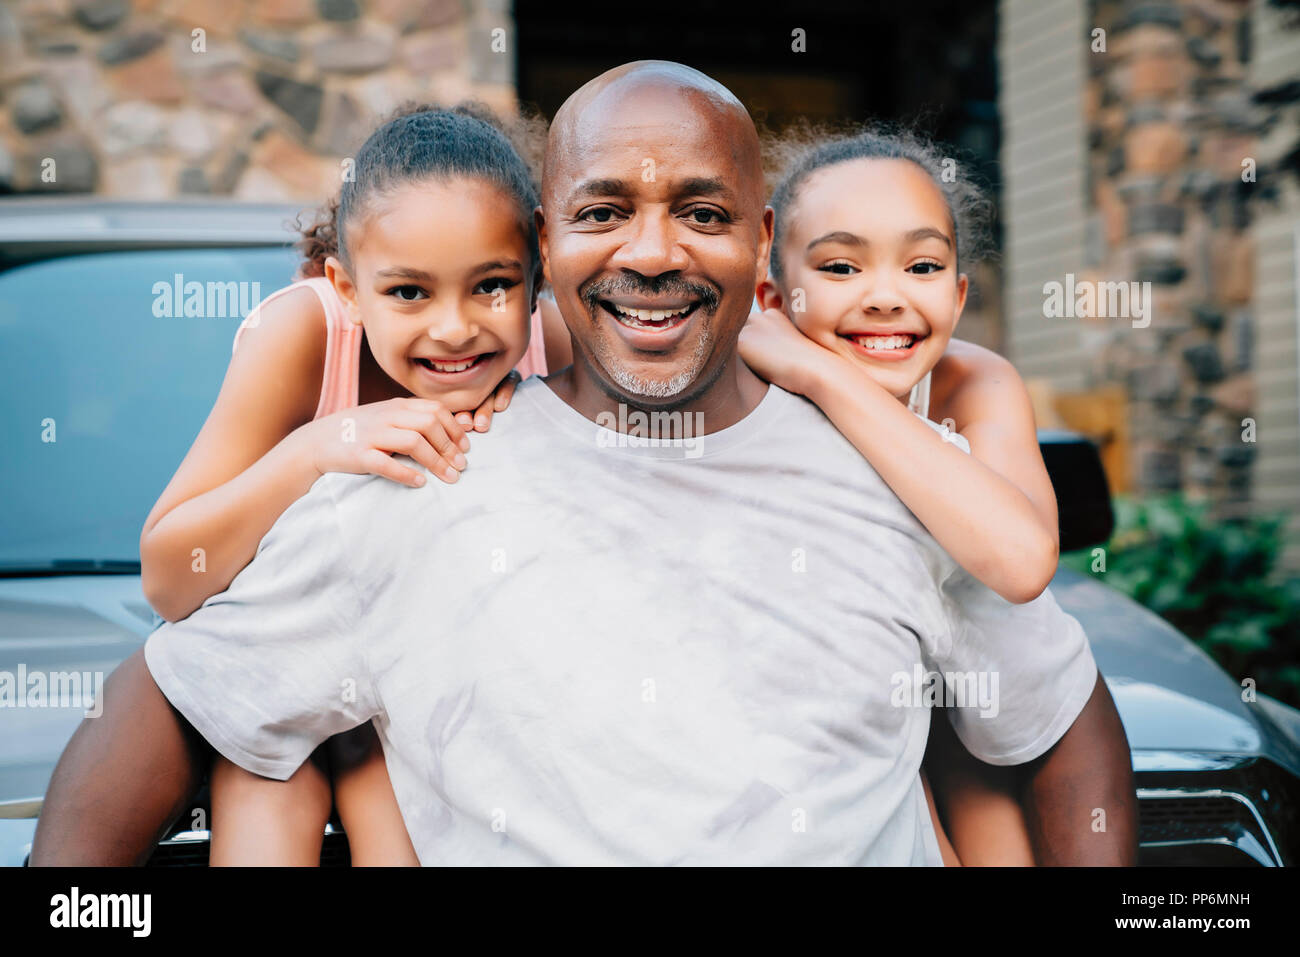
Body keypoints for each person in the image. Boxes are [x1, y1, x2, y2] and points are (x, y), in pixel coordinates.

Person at [31, 61, 1135, 866]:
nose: (651, 254)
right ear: (546, 245)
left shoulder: (899, 473)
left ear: (761, 245)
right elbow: (169, 693)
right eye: (604, 212)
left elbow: (1057, 703)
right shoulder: (425, 469)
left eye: (699, 213)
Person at [136, 104, 565, 864]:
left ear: (539, 274)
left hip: (431, 692)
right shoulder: (302, 336)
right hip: (282, 681)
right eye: (409, 293)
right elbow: (170, 580)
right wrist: (317, 446)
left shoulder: (550, 351)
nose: (455, 327)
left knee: (393, 786)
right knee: (269, 781)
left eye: (491, 285)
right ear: (347, 288)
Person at [740, 125, 1075, 863]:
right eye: (840, 266)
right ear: (771, 295)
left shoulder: (972, 381)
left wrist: (827, 375)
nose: (886, 296)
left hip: (1048, 713)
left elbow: (1021, 561)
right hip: (902, 709)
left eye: (921, 265)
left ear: (957, 298)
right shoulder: (749, 408)